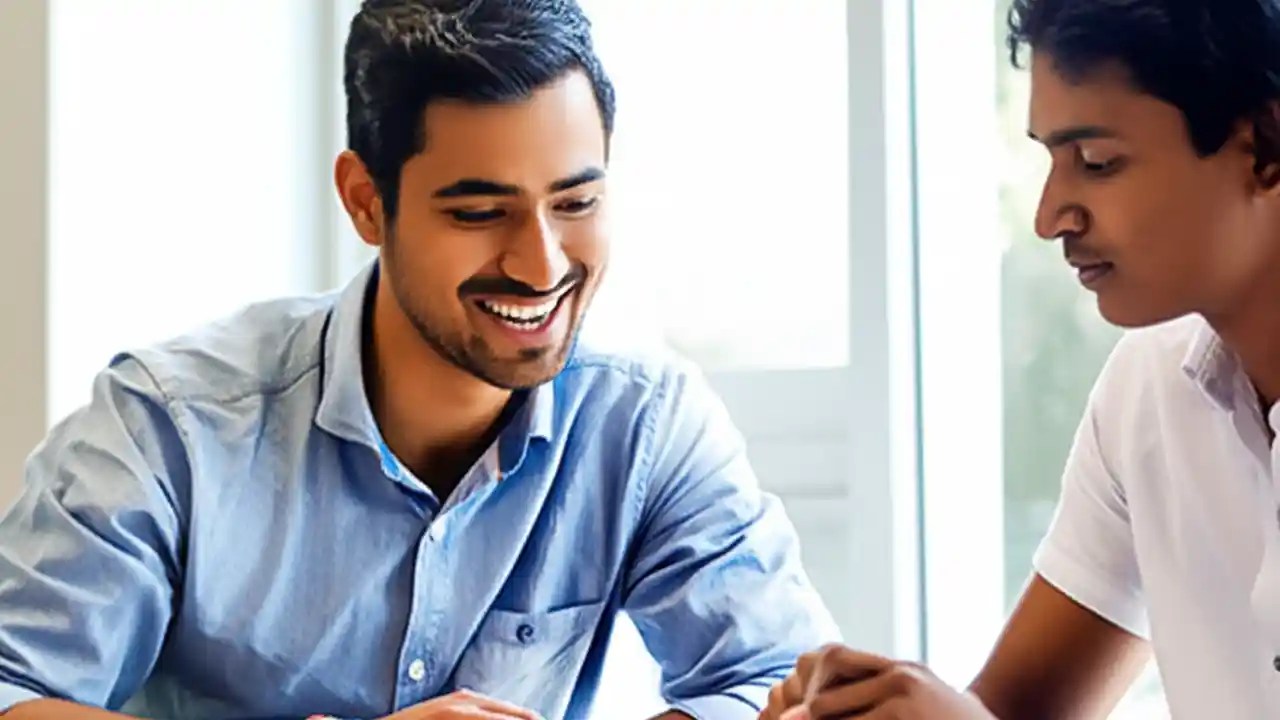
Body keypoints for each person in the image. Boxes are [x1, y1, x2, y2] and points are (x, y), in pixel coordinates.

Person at [0, 1, 839, 718]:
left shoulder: (646, 425)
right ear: (367, 202)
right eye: (480, 212)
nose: (542, 266)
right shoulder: (170, 428)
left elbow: (779, 680)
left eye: (576, 202)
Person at [760, 0, 1280, 718]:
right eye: (1051, 159)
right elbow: (1008, 713)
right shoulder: (1150, 393)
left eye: (1097, 163)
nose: (1049, 217)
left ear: (1265, 146)